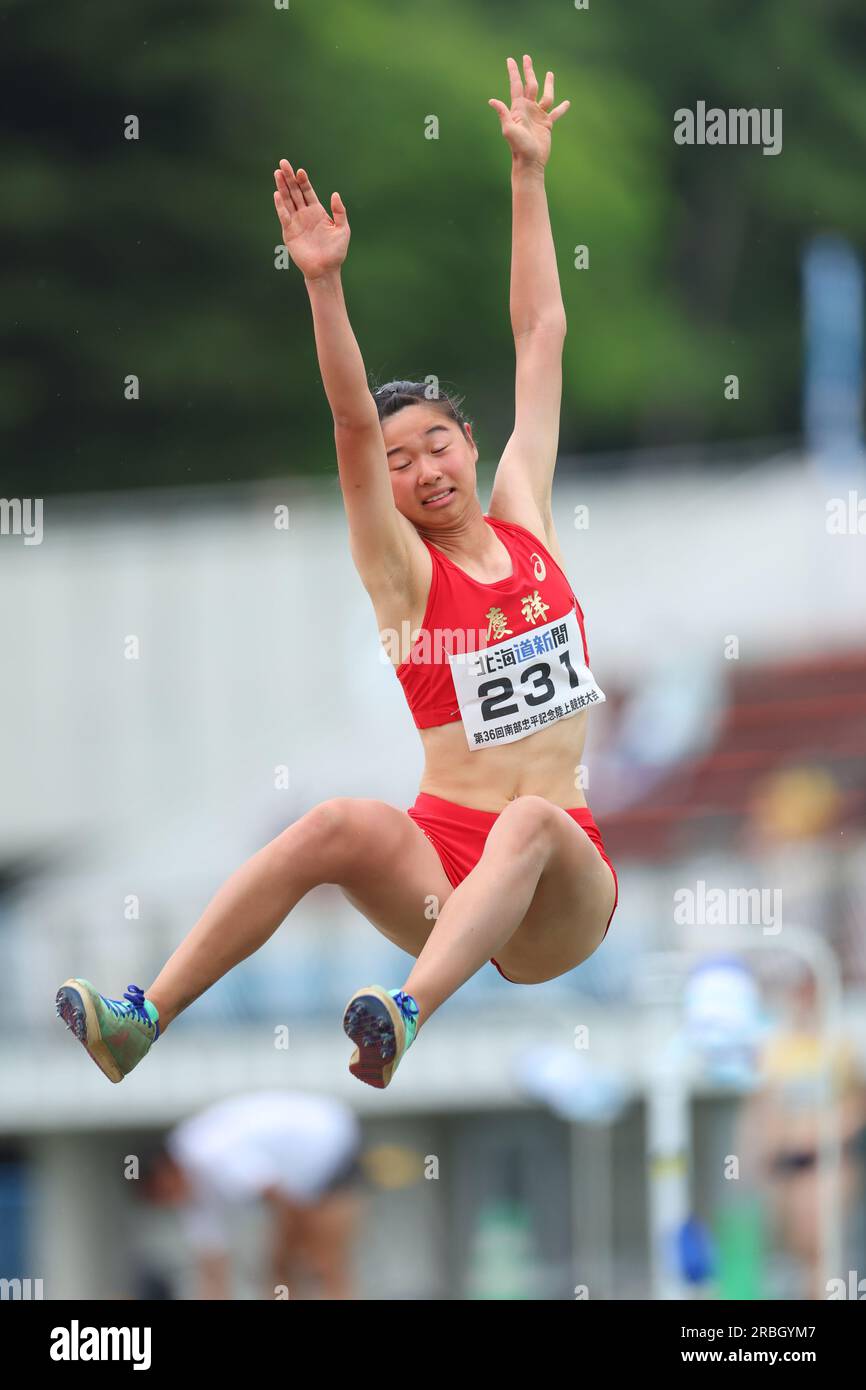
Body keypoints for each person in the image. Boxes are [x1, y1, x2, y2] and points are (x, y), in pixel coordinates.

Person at [56, 53, 618, 1091]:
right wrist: (322, 283)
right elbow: (352, 423)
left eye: (438, 444)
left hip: (559, 887)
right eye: (401, 463)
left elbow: (539, 335)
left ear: (468, 440)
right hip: (446, 869)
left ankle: (403, 1012)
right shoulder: (400, 574)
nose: (422, 469)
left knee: (531, 818)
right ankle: (144, 1015)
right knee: (329, 823)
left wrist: (528, 173)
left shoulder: (523, 513)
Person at [137, 1090, 363, 1300]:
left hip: (326, 1140)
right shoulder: (186, 1185)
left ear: (167, 1169)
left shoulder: (212, 1153)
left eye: (164, 1193)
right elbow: (212, 1265)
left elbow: (280, 1197)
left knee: (318, 1260)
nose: (170, 1202)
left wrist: (288, 1248)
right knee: (281, 1266)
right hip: (295, 1176)